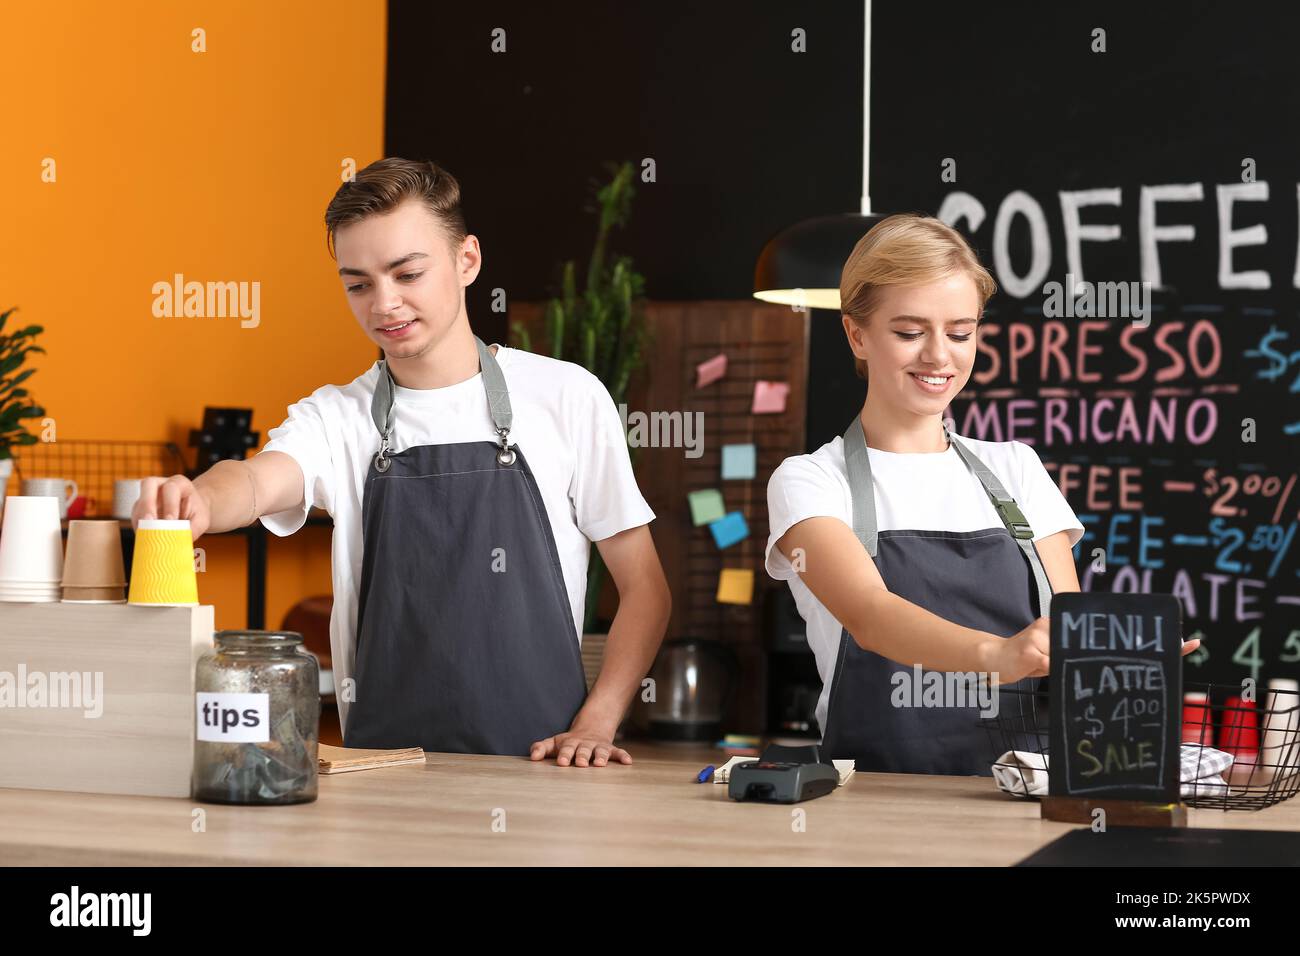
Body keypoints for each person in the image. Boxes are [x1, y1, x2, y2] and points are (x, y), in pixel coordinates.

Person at [134, 157, 671, 767]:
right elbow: (258, 479)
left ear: (467, 261)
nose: (384, 304)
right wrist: (201, 498)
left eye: (407, 273)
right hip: (385, 770)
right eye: (358, 284)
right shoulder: (336, 415)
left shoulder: (566, 397)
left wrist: (598, 722)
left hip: (543, 768)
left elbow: (645, 589)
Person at [764, 214, 1199, 774]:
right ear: (856, 334)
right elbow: (871, 616)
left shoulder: (1015, 468)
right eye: (909, 332)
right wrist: (1000, 656)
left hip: (1024, 794)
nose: (939, 356)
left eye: (960, 331)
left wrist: (1116, 657)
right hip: (875, 801)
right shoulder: (810, 480)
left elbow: (1066, 625)